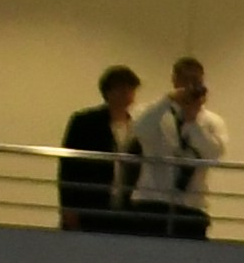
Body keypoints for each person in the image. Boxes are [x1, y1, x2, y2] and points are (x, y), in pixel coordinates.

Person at [124, 57, 226, 242]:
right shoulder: (150, 111)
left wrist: (193, 121)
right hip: (151, 200)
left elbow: (214, 154)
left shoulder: (211, 121)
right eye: (185, 80)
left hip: (192, 205)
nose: (189, 86)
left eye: (195, 81)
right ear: (175, 81)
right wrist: (168, 100)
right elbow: (140, 130)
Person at [55, 66, 144, 233]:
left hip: (125, 207)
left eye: (130, 88)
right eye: (120, 88)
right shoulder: (85, 122)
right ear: (108, 91)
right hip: (89, 203)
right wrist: (68, 207)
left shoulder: (137, 126)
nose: (126, 93)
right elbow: (68, 166)